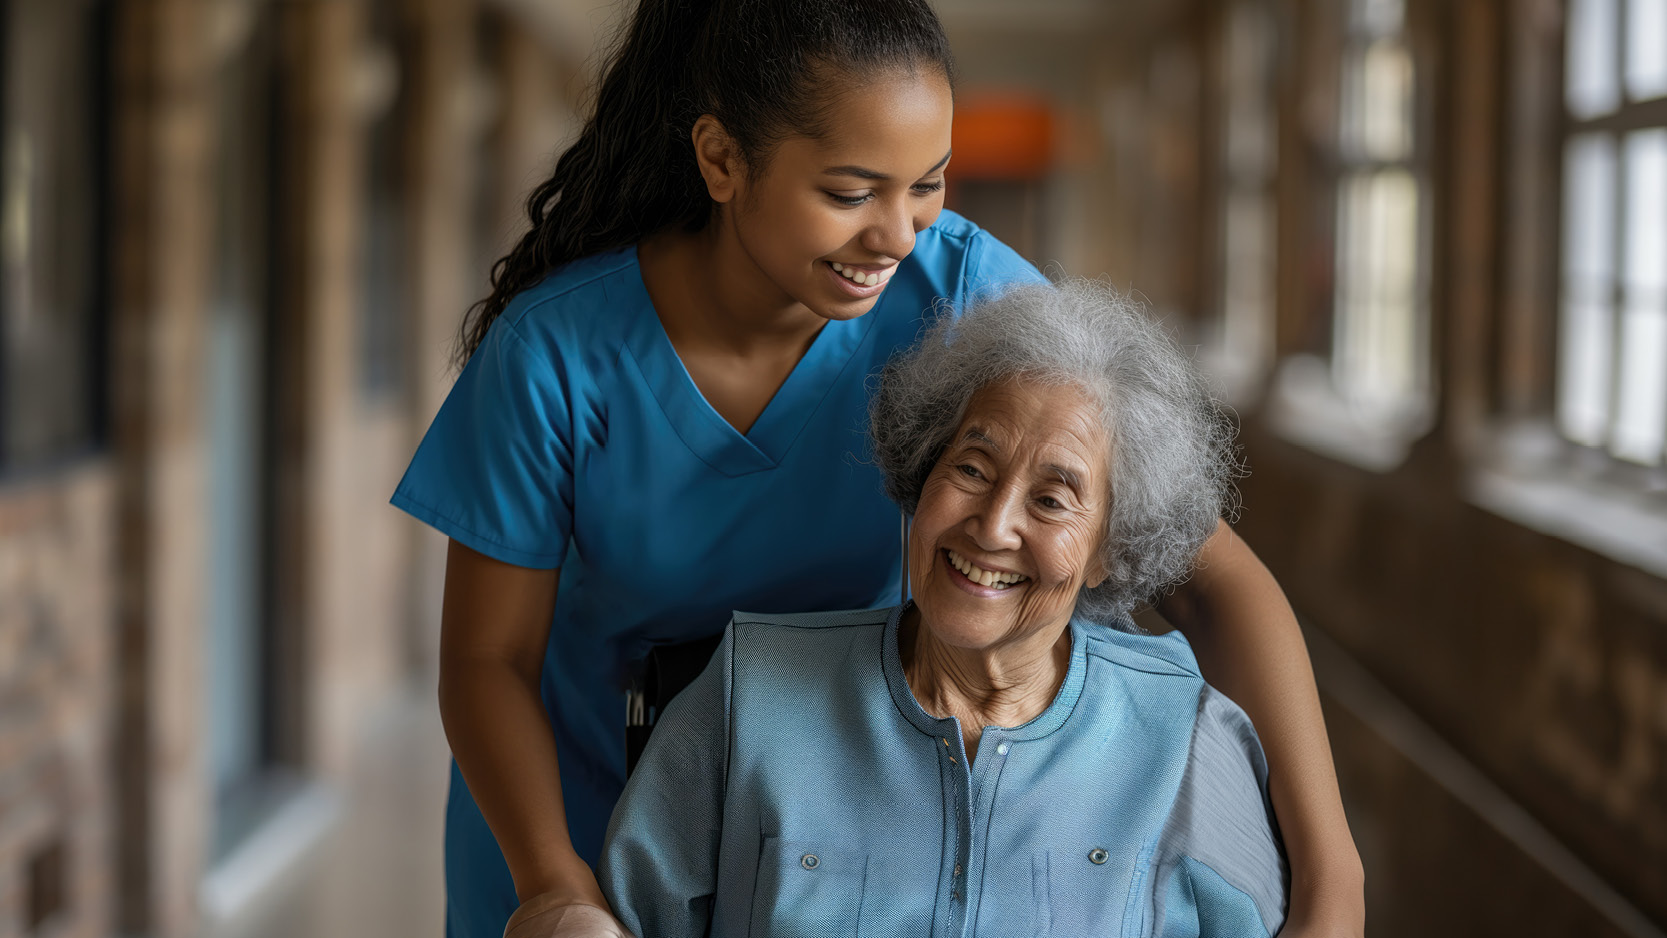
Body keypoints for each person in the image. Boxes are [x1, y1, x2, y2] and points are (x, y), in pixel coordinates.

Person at [390, 1, 1362, 936]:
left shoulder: (962, 292)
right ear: (721, 160)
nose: (897, 235)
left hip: (834, 835)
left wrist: (1330, 882)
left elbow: (1208, 577)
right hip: (571, 828)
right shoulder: (554, 354)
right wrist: (556, 885)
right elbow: (487, 661)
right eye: (850, 193)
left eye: (927, 184)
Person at [602, 280, 1287, 937]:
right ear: (923, 471)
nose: (992, 527)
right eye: (971, 469)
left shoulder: (1183, 735)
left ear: (1108, 550)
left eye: (1051, 500)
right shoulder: (748, 693)